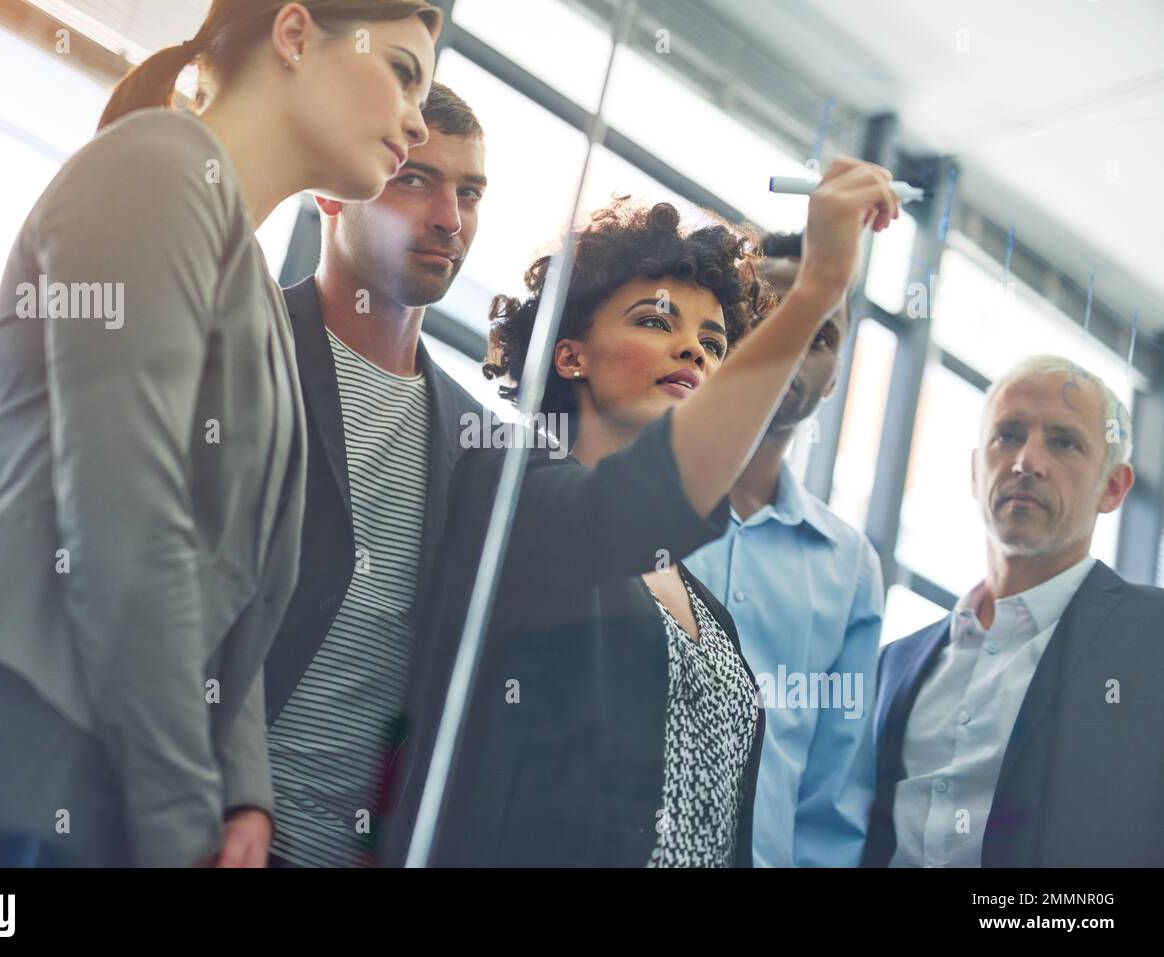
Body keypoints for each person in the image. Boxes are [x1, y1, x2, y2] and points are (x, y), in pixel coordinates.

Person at [0, 0, 442, 868]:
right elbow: (125, 517)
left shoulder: (251, 281)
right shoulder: (159, 165)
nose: (416, 118)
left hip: (100, 762)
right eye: (402, 71)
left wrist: (242, 791)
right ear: (294, 34)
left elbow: (232, 581)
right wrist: (181, 816)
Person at [380, 157, 904, 867]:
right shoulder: (505, 489)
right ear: (570, 355)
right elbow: (628, 509)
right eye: (657, 319)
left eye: (716, 344)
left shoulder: (708, 610)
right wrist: (815, 290)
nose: (693, 347)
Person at [263, 81, 487, 866]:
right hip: (181, 828)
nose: (449, 219)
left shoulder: (481, 446)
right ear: (332, 189)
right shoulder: (246, 346)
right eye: (416, 179)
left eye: (470, 193)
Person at [864, 355, 1164, 867]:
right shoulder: (892, 665)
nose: (1027, 462)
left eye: (1064, 442)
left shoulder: (1152, 639)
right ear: (975, 472)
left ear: (1112, 487)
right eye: (1008, 435)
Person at [684, 231, 882, 867]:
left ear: (834, 380)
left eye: (819, 337)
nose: (794, 350)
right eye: (775, 322)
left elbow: (833, 791)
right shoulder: (628, 495)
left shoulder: (849, 567)